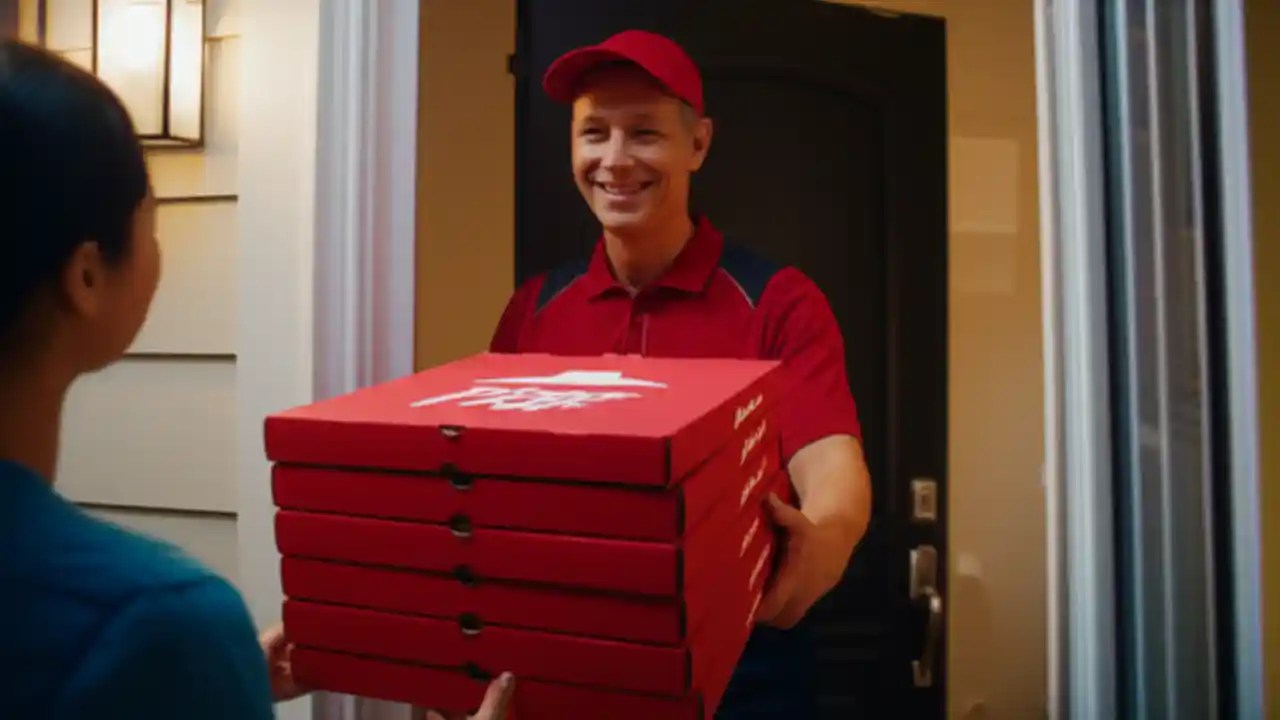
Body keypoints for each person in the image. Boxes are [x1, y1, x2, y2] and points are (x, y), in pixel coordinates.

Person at [0, 39, 514, 719]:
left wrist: (217, 681)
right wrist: (193, 671)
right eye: (151, 216)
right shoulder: (153, 623)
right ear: (88, 276)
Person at [489, 29, 873, 718]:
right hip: (573, 661)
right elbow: (492, 480)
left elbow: (831, 465)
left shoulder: (778, 301)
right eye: (594, 133)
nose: (614, 160)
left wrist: (827, 538)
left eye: (644, 133)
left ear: (697, 144)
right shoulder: (534, 309)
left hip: (743, 665)